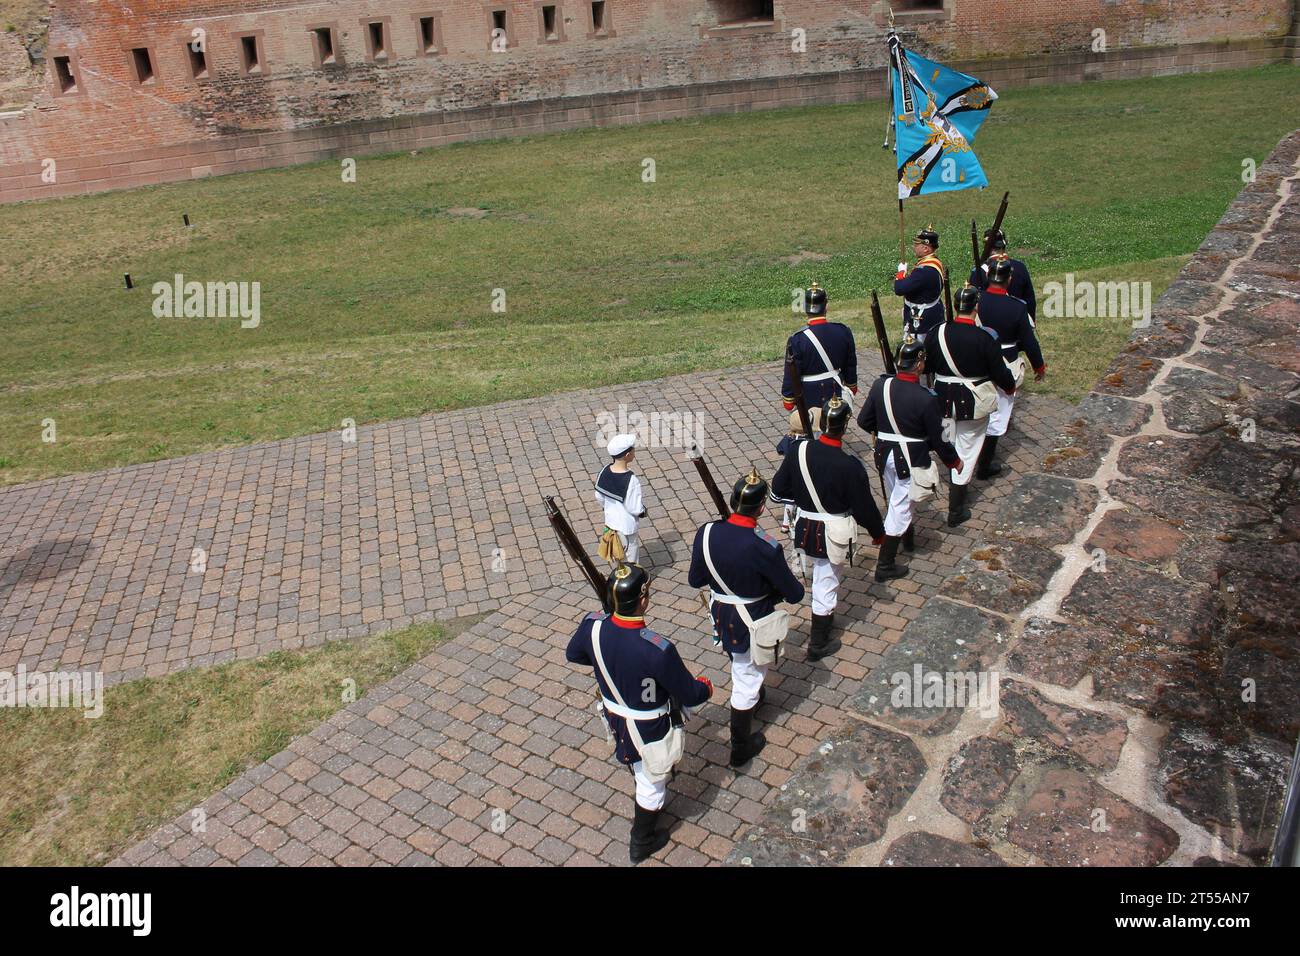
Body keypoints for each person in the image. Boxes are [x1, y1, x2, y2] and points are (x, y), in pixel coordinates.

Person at [565, 563, 714, 864]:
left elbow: (573, 653)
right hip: (649, 726)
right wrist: (706, 688)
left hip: (615, 716)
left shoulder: (591, 626)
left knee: (638, 765)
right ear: (643, 600)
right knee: (651, 784)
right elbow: (689, 693)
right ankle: (641, 841)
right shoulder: (657, 649)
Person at [688, 468, 805, 767]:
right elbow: (794, 594)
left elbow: (695, 579)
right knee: (746, 677)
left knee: (740, 659)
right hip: (751, 617)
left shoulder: (706, 532)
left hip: (721, 612)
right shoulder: (763, 545)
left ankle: (756, 698)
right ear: (762, 507)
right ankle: (740, 745)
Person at [769, 395, 884, 661]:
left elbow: (778, 491)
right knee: (826, 583)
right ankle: (818, 642)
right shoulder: (849, 465)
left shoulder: (797, 451)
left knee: (821, 579)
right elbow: (864, 507)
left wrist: (806, 497)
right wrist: (878, 533)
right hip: (832, 531)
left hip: (804, 527)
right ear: (844, 426)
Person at [856, 340, 962, 579]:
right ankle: (885, 564)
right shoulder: (925, 398)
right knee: (900, 509)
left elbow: (864, 421)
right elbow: (940, 438)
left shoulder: (879, 385)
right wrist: (953, 461)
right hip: (910, 459)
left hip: (885, 455)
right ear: (919, 365)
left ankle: (908, 539)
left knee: (898, 498)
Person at [924, 285, 1017, 528]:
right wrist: (1009, 387)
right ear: (976, 307)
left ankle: (947, 474)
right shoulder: (985, 337)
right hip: (972, 402)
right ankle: (956, 509)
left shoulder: (937, 332)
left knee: (950, 439)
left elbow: (926, 365)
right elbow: (1000, 372)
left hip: (942, 398)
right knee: (967, 448)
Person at [974, 259, 1046, 478]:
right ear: (1009, 280)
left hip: (977, 361)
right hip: (1006, 361)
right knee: (998, 416)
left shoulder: (977, 301)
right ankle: (984, 466)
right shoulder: (1017, 307)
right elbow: (1029, 342)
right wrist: (1039, 366)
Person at [781, 283, 859, 415]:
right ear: (826, 307)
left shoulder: (797, 339)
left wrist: (789, 398)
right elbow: (850, 364)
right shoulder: (843, 331)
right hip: (835, 390)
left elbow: (792, 372)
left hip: (808, 395)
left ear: (805, 309)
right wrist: (852, 385)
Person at [595, 433, 646, 564]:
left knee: (617, 558)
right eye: (633, 449)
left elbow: (599, 496)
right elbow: (634, 508)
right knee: (631, 562)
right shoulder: (631, 480)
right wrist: (643, 511)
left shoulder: (604, 471)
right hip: (627, 529)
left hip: (611, 525)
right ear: (627, 455)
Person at [969, 228, 1037, 321]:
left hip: (989, 325)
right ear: (1003, 245)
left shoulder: (978, 272)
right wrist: (1030, 322)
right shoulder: (1020, 267)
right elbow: (1030, 301)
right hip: (1017, 320)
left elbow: (971, 304)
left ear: (986, 246)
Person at [894, 226, 947, 341]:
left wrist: (901, 272)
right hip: (932, 316)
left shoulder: (924, 271)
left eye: (917, 245)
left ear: (926, 248)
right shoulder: (933, 263)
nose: (914, 247)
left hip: (922, 323)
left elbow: (899, 289)